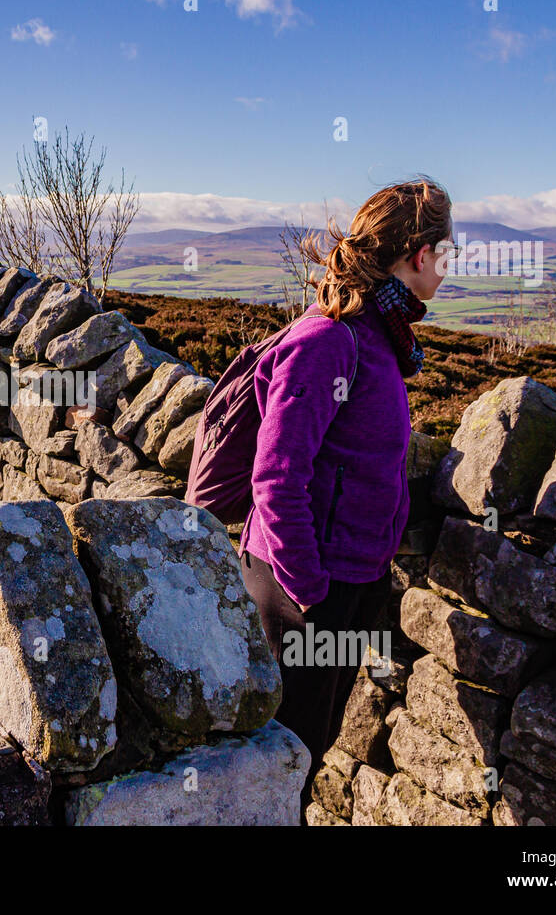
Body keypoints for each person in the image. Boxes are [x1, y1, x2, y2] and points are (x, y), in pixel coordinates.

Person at [238, 176, 456, 803]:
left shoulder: (382, 338)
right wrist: (310, 591)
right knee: (282, 760)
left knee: (310, 749)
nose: (450, 268)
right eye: (447, 253)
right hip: (302, 588)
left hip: (347, 583)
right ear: (419, 255)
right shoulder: (329, 339)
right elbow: (277, 474)